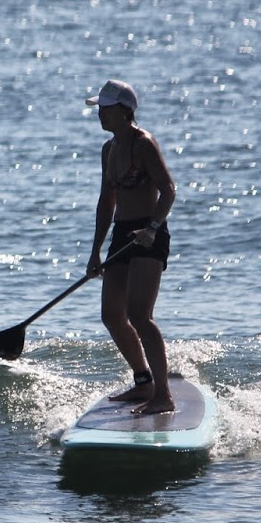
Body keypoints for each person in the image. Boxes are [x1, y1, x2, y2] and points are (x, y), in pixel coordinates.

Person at [84, 79, 177, 415]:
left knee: (139, 315)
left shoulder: (144, 144)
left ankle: (163, 396)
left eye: (105, 109)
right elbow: (106, 200)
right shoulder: (109, 150)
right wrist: (95, 251)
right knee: (111, 315)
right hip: (122, 234)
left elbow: (168, 190)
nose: (100, 114)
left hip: (149, 233)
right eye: (99, 108)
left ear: (125, 111)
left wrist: (152, 227)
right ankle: (144, 382)